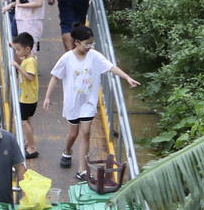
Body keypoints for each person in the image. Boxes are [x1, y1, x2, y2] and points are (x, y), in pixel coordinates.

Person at [43, 24, 140, 180]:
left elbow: (110, 67)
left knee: (86, 133)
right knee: (73, 134)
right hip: (73, 103)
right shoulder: (67, 58)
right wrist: (47, 97)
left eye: (91, 43)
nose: (89, 46)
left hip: (88, 102)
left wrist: (127, 77)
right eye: (86, 43)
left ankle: (82, 170)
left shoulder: (94, 56)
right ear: (76, 42)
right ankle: (67, 151)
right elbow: (55, 76)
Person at [11, 32, 39, 159]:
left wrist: (18, 66)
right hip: (28, 96)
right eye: (15, 49)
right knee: (27, 120)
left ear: (27, 49)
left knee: (23, 122)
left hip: (27, 98)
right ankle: (28, 143)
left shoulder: (30, 61)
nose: (16, 52)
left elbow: (29, 77)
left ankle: (32, 147)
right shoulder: (27, 59)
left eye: (18, 49)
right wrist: (12, 45)